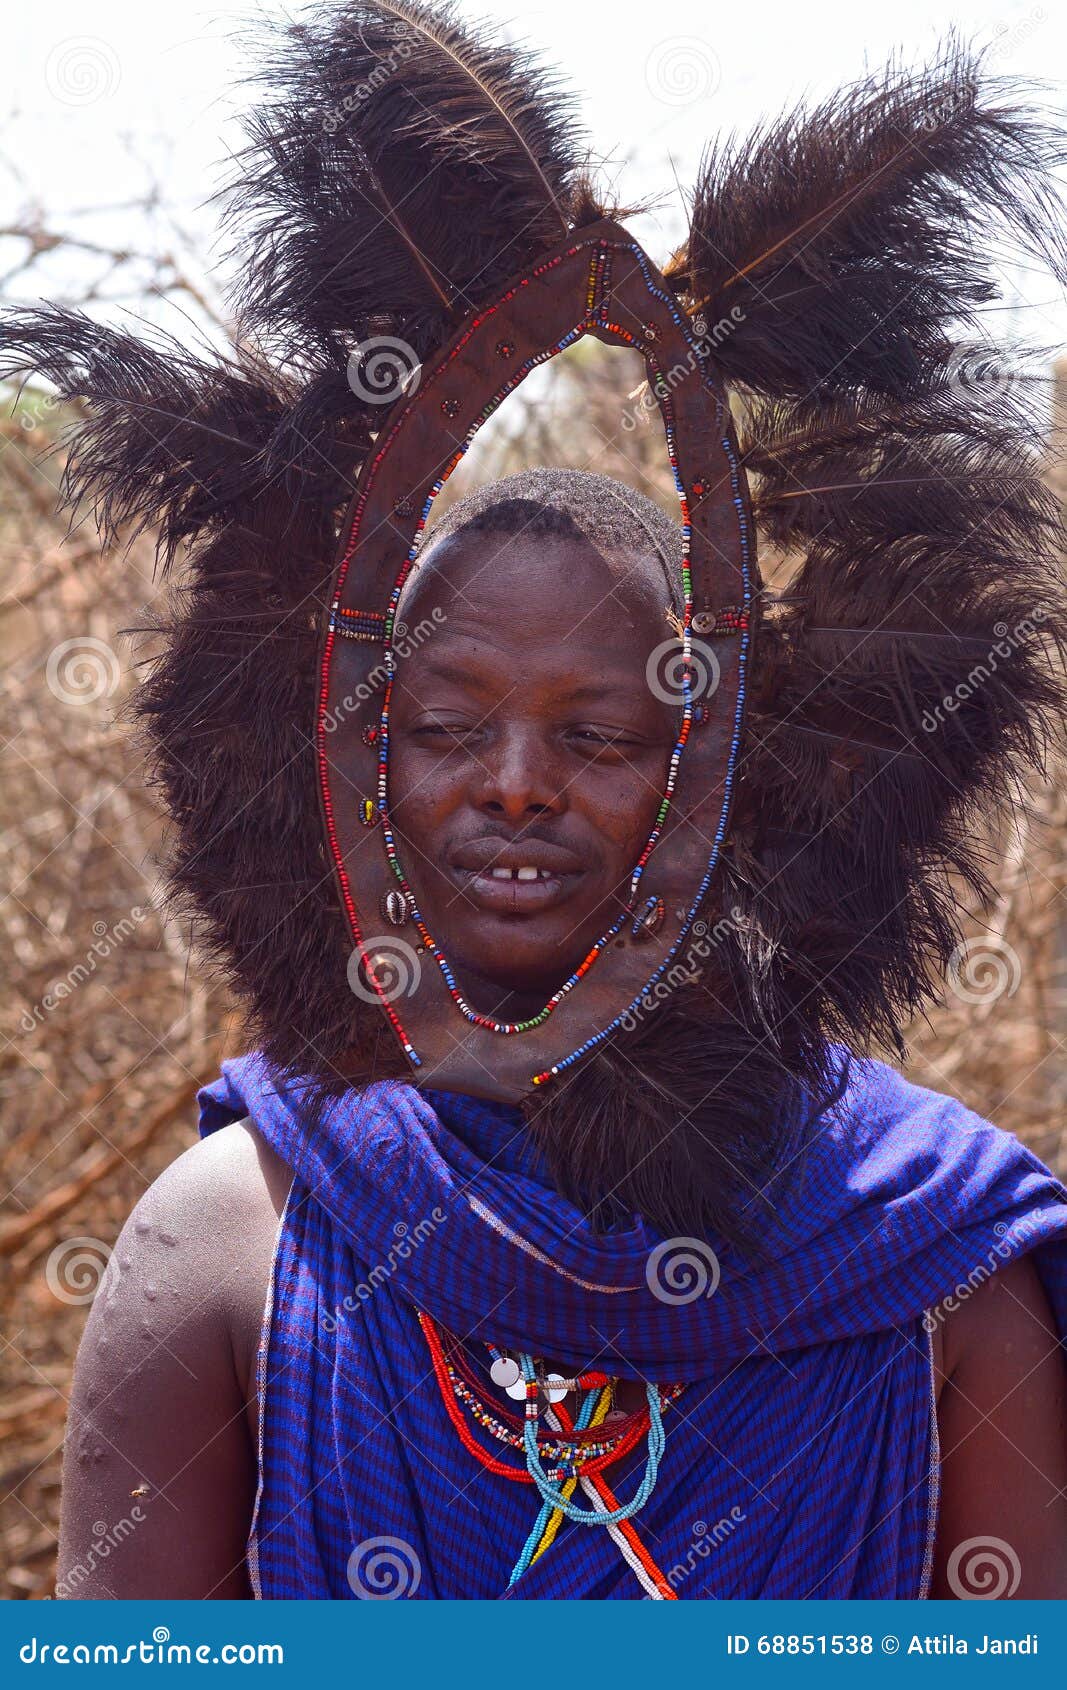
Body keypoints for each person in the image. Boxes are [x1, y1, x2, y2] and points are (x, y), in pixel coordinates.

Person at [7, 3, 1067, 1600]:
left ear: (726, 765)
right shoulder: (228, 1242)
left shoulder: (936, 1265)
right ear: (358, 752)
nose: (516, 785)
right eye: (447, 724)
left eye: (603, 736)